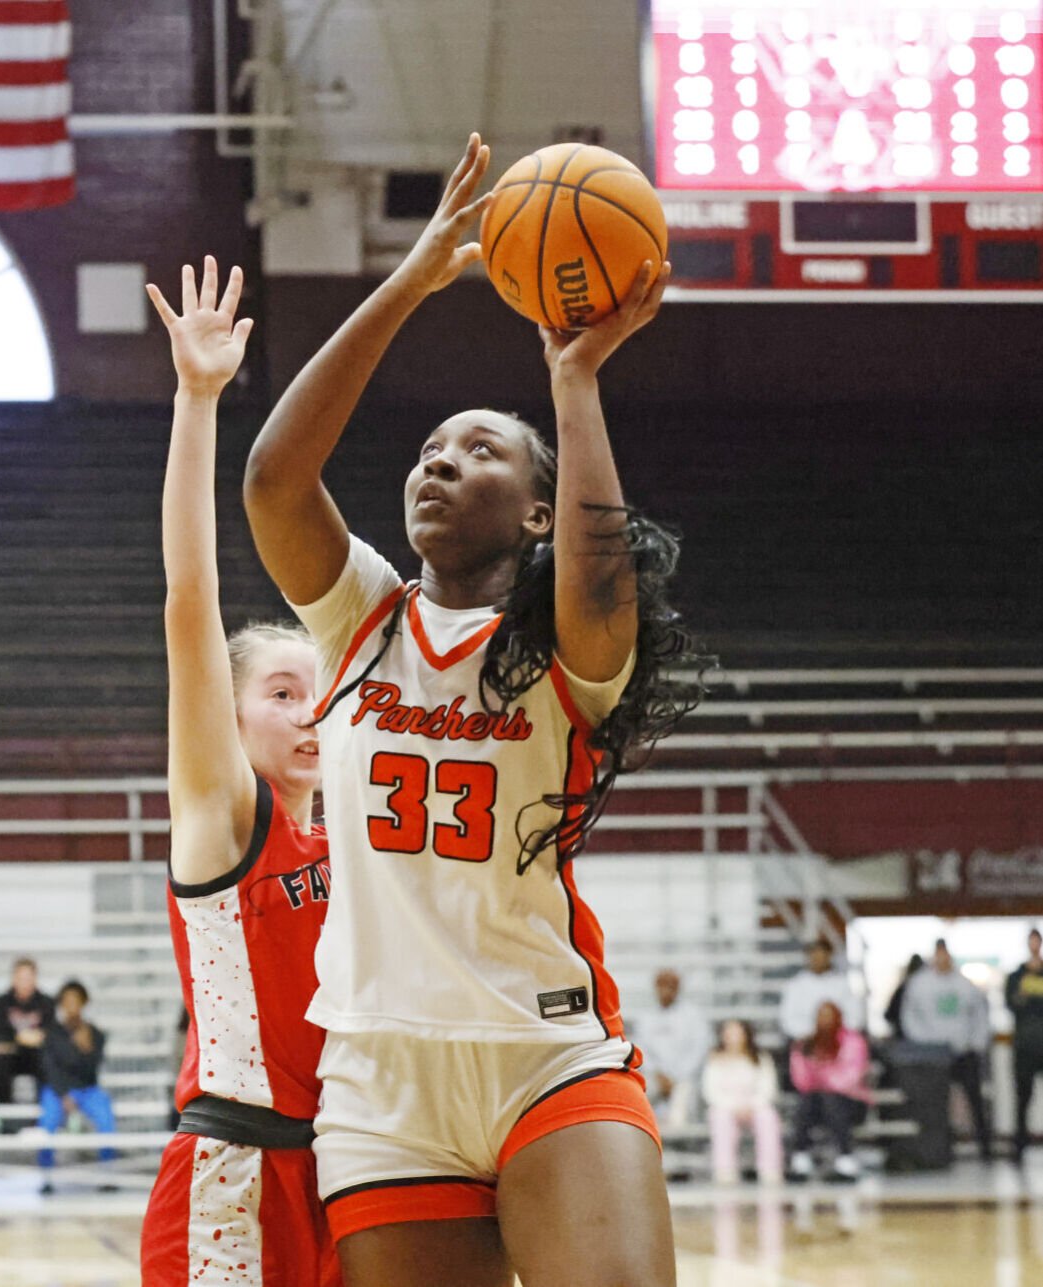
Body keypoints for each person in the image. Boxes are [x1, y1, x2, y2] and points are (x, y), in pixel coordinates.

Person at [244, 133, 705, 1285]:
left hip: (543, 1050)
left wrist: (573, 378)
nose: (438, 464)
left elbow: (599, 571)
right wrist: (409, 279)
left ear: (541, 513)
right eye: (429, 450)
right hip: (381, 1077)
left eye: (480, 451)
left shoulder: (573, 647)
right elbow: (272, 483)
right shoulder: (361, 623)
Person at [140, 258, 340, 1286]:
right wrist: (198, 399)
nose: (308, 711)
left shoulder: (350, 833)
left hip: (351, 1163)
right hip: (235, 1161)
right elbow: (188, 604)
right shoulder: (224, 814)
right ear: (230, 717)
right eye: (279, 692)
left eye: (318, 689)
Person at [901, 938, 993, 1161]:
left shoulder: (964, 984)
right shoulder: (920, 983)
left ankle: (985, 1147)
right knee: (936, 1103)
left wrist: (976, 1042)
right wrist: (925, 1044)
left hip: (963, 1051)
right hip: (934, 1055)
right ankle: (941, 1148)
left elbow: (980, 1014)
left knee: (975, 1099)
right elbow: (909, 1017)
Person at [37, 980, 117, 1169]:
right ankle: (45, 1175)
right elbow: (49, 1068)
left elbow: (93, 1070)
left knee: (106, 1120)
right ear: (62, 1004)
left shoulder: (95, 1034)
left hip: (87, 1090)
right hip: (58, 1091)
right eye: (67, 1001)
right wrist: (64, 1094)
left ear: (84, 1003)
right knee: (47, 1123)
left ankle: (109, 1171)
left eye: (76, 1000)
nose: (72, 1005)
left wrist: (87, 1049)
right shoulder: (52, 1033)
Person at [788, 1001, 871, 1181]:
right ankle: (800, 1158)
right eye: (821, 1015)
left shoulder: (853, 1041)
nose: (826, 1020)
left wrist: (824, 1078)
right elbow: (801, 1080)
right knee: (809, 1100)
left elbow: (852, 1077)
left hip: (851, 1102)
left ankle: (846, 1159)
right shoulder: (806, 1044)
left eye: (830, 1015)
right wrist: (820, 1078)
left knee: (831, 1099)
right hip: (815, 1102)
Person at [629, 969, 712, 1131]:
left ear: (678, 989)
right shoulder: (646, 1017)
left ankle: (677, 1137)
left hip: (684, 1077)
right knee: (637, 1094)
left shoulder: (693, 1016)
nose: (665, 991)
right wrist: (657, 1073)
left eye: (670, 987)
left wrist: (676, 1076)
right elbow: (641, 1049)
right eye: (661, 986)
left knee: (682, 1099)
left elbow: (699, 1049)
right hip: (655, 1076)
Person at [701, 1019, 782, 1185]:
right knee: (720, 1118)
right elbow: (710, 1091)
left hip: (754, 1106)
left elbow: (768, 1087)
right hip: (726, 1106)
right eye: (729, 1033)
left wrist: (751, 1104)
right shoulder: (715, 1059)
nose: (733, 1038)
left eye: (737, 1033)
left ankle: (770, 1169)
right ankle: (725, 1170)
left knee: (768, 1116)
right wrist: (733, 1105)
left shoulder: (760, 1058)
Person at [0, 958, 54, 1104]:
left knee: (49, 1061)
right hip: (10, 1056)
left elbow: (50, 1033)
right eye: (21, 978)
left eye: (28, 978)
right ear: (13, 979)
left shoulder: (47, 1002)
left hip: (36, 1056)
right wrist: (23, 1037)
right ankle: (4, 1110)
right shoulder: (2, 1002)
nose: (24, 983)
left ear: (35, 979)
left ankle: (43, 1109)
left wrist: (24, 1038)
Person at [777, 939, 863, 1047]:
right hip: (806, 1042)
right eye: (814, 955)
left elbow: (855, 1017)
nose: (817, 959)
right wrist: (814, 1034)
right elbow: (788, 1020)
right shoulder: (795, 985)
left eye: (821, 955)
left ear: (829, 956)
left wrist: (833, 1033)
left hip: (839, 1043)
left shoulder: (843, 984)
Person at [1006, 928, 1043, 1162]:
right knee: (1023, 1097)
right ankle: (1019, 1146)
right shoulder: (1016, 976)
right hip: (1025, 1044)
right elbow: (1011, 1003)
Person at [884, 953, 924, 1040]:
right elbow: (889, 1015)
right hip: (905, 1038)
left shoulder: (903, 988)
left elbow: (888, 1015)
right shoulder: (904, 989)